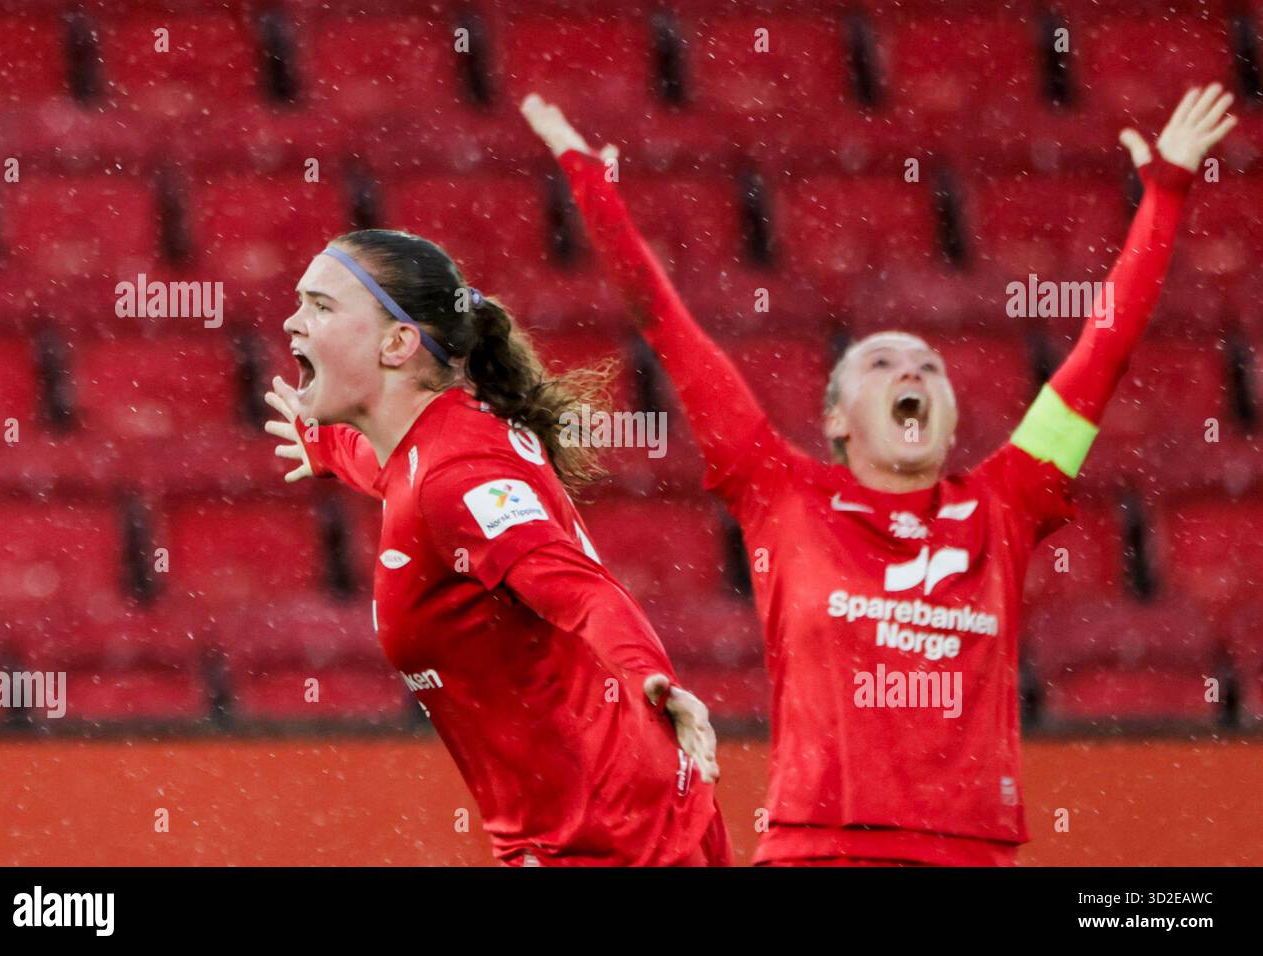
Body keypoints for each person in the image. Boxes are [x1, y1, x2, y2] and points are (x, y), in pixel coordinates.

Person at [521, 84, 1236, 865]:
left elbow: (1106, 348)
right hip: (816, 852)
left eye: (930, 366)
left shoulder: (1009, 501)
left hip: (970, 853)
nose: (915, 374)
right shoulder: (779, 491)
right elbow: (664, 320)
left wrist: (1164, 193)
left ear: (954, 417)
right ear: (835, 418)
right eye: (884, 364)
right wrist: (592, 185)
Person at [263, 229, 730, 865]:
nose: (293, 321)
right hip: (615, 815)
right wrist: (329, 449)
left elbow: (583, 591)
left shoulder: (457, 476)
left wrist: (654, 677)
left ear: (398, 344)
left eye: (321, 306)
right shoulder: (437, 444)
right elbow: (394, 475)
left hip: (609, 838)